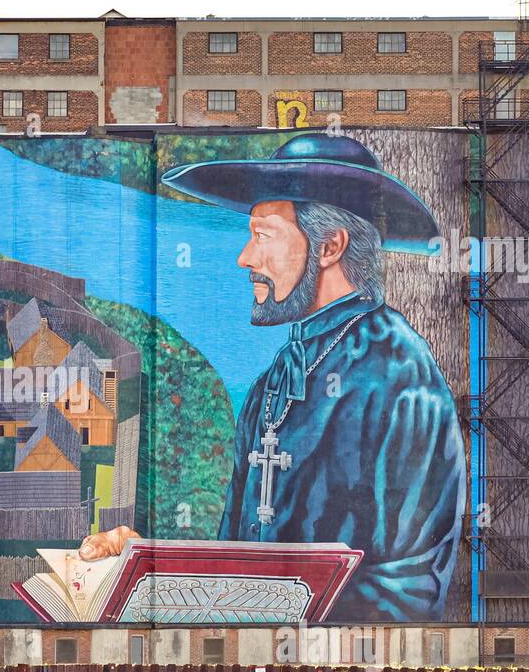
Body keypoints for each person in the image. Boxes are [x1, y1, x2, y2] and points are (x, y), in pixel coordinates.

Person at [80, 134, 466, 621]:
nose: (245, 258)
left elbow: (411, 592)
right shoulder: (273, 382)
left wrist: (269, 609)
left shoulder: (401, 380)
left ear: (329, 246)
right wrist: (150, 567)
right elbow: (238, 562)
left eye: (263, 235)